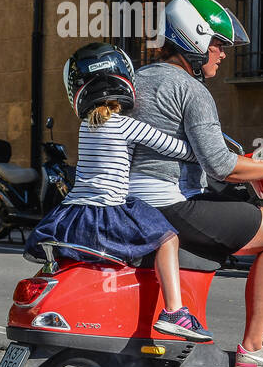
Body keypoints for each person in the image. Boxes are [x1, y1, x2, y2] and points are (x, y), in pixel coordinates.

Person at [127, 0, 263, 367]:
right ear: (193, 40)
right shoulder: (192, 91)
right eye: (217, 45)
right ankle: (257, 347)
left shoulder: (137, 80)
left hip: (132, 205)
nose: (222, 54)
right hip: (171, 206)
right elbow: (221, 165)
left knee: (236, 211)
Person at [24, 42, 213, 342]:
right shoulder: (127, 125)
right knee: (168, 239)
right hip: (109, 210)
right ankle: (175, 313)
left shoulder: (87, 126)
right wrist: (209, 149)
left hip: (73, 213)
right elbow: (179, 149)